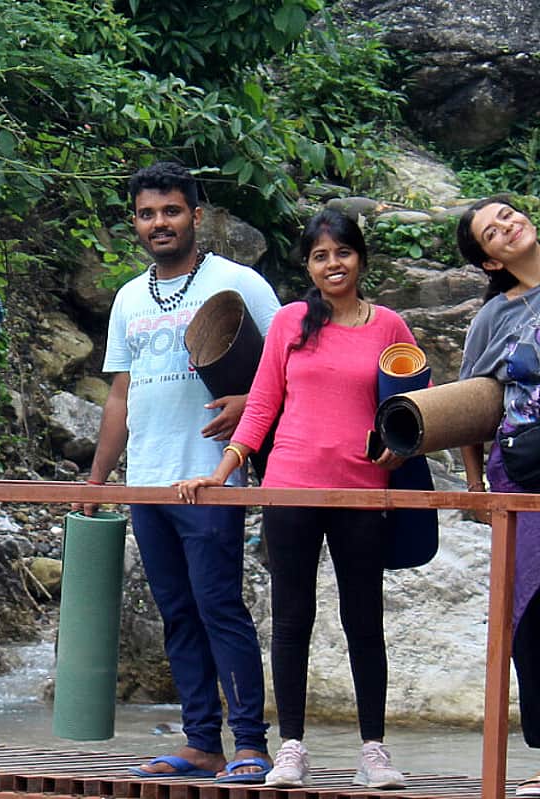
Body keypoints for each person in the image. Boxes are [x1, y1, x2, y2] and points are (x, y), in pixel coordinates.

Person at [176, 209, 414, 789]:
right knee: (290, 619)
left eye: (342, 253)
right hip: (289, 486)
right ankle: (291, 749)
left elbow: (416, 404)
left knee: (364, 619)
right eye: (320, 256)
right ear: (308, 266)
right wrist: (224, 469)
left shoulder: (389, 327)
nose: (333, 265)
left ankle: (373, 752)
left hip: (362, 490)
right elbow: (262, 404)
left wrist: (402, 449)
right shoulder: (289, 322)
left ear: (360, 258)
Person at [77, 162, 277, 782]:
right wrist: (98, 479)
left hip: (210, 477)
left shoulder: (238, 283)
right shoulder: (129, 298)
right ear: (134, 222)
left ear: (197, 215)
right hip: (148, 480)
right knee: (178, 612)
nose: (158, 223)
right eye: (146, 214)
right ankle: (200, 742)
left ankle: (250, 744)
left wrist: (249, 403)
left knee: (219, 606)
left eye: (170, 211)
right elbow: (120, 396)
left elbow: (288, 367)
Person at [455, 197, 540, 799]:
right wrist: (473, 484)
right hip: (525, 471)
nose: (508, 225)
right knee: (534, 609)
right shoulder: (494, 317)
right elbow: (468, 402)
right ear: (489, 261)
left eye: (508, 215)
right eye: (493, 231)